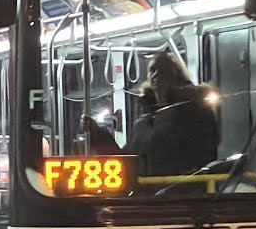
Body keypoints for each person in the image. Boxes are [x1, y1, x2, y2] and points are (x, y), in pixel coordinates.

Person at [84, 52, 219, 177]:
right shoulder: (144, 122)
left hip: (182, 195)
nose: (156, 75)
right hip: (147, 198)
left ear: (176, 75)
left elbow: (201, 155)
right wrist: (100, 136)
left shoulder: (196, 112)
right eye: (152, 70)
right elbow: (127, 163)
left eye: (163, 70)